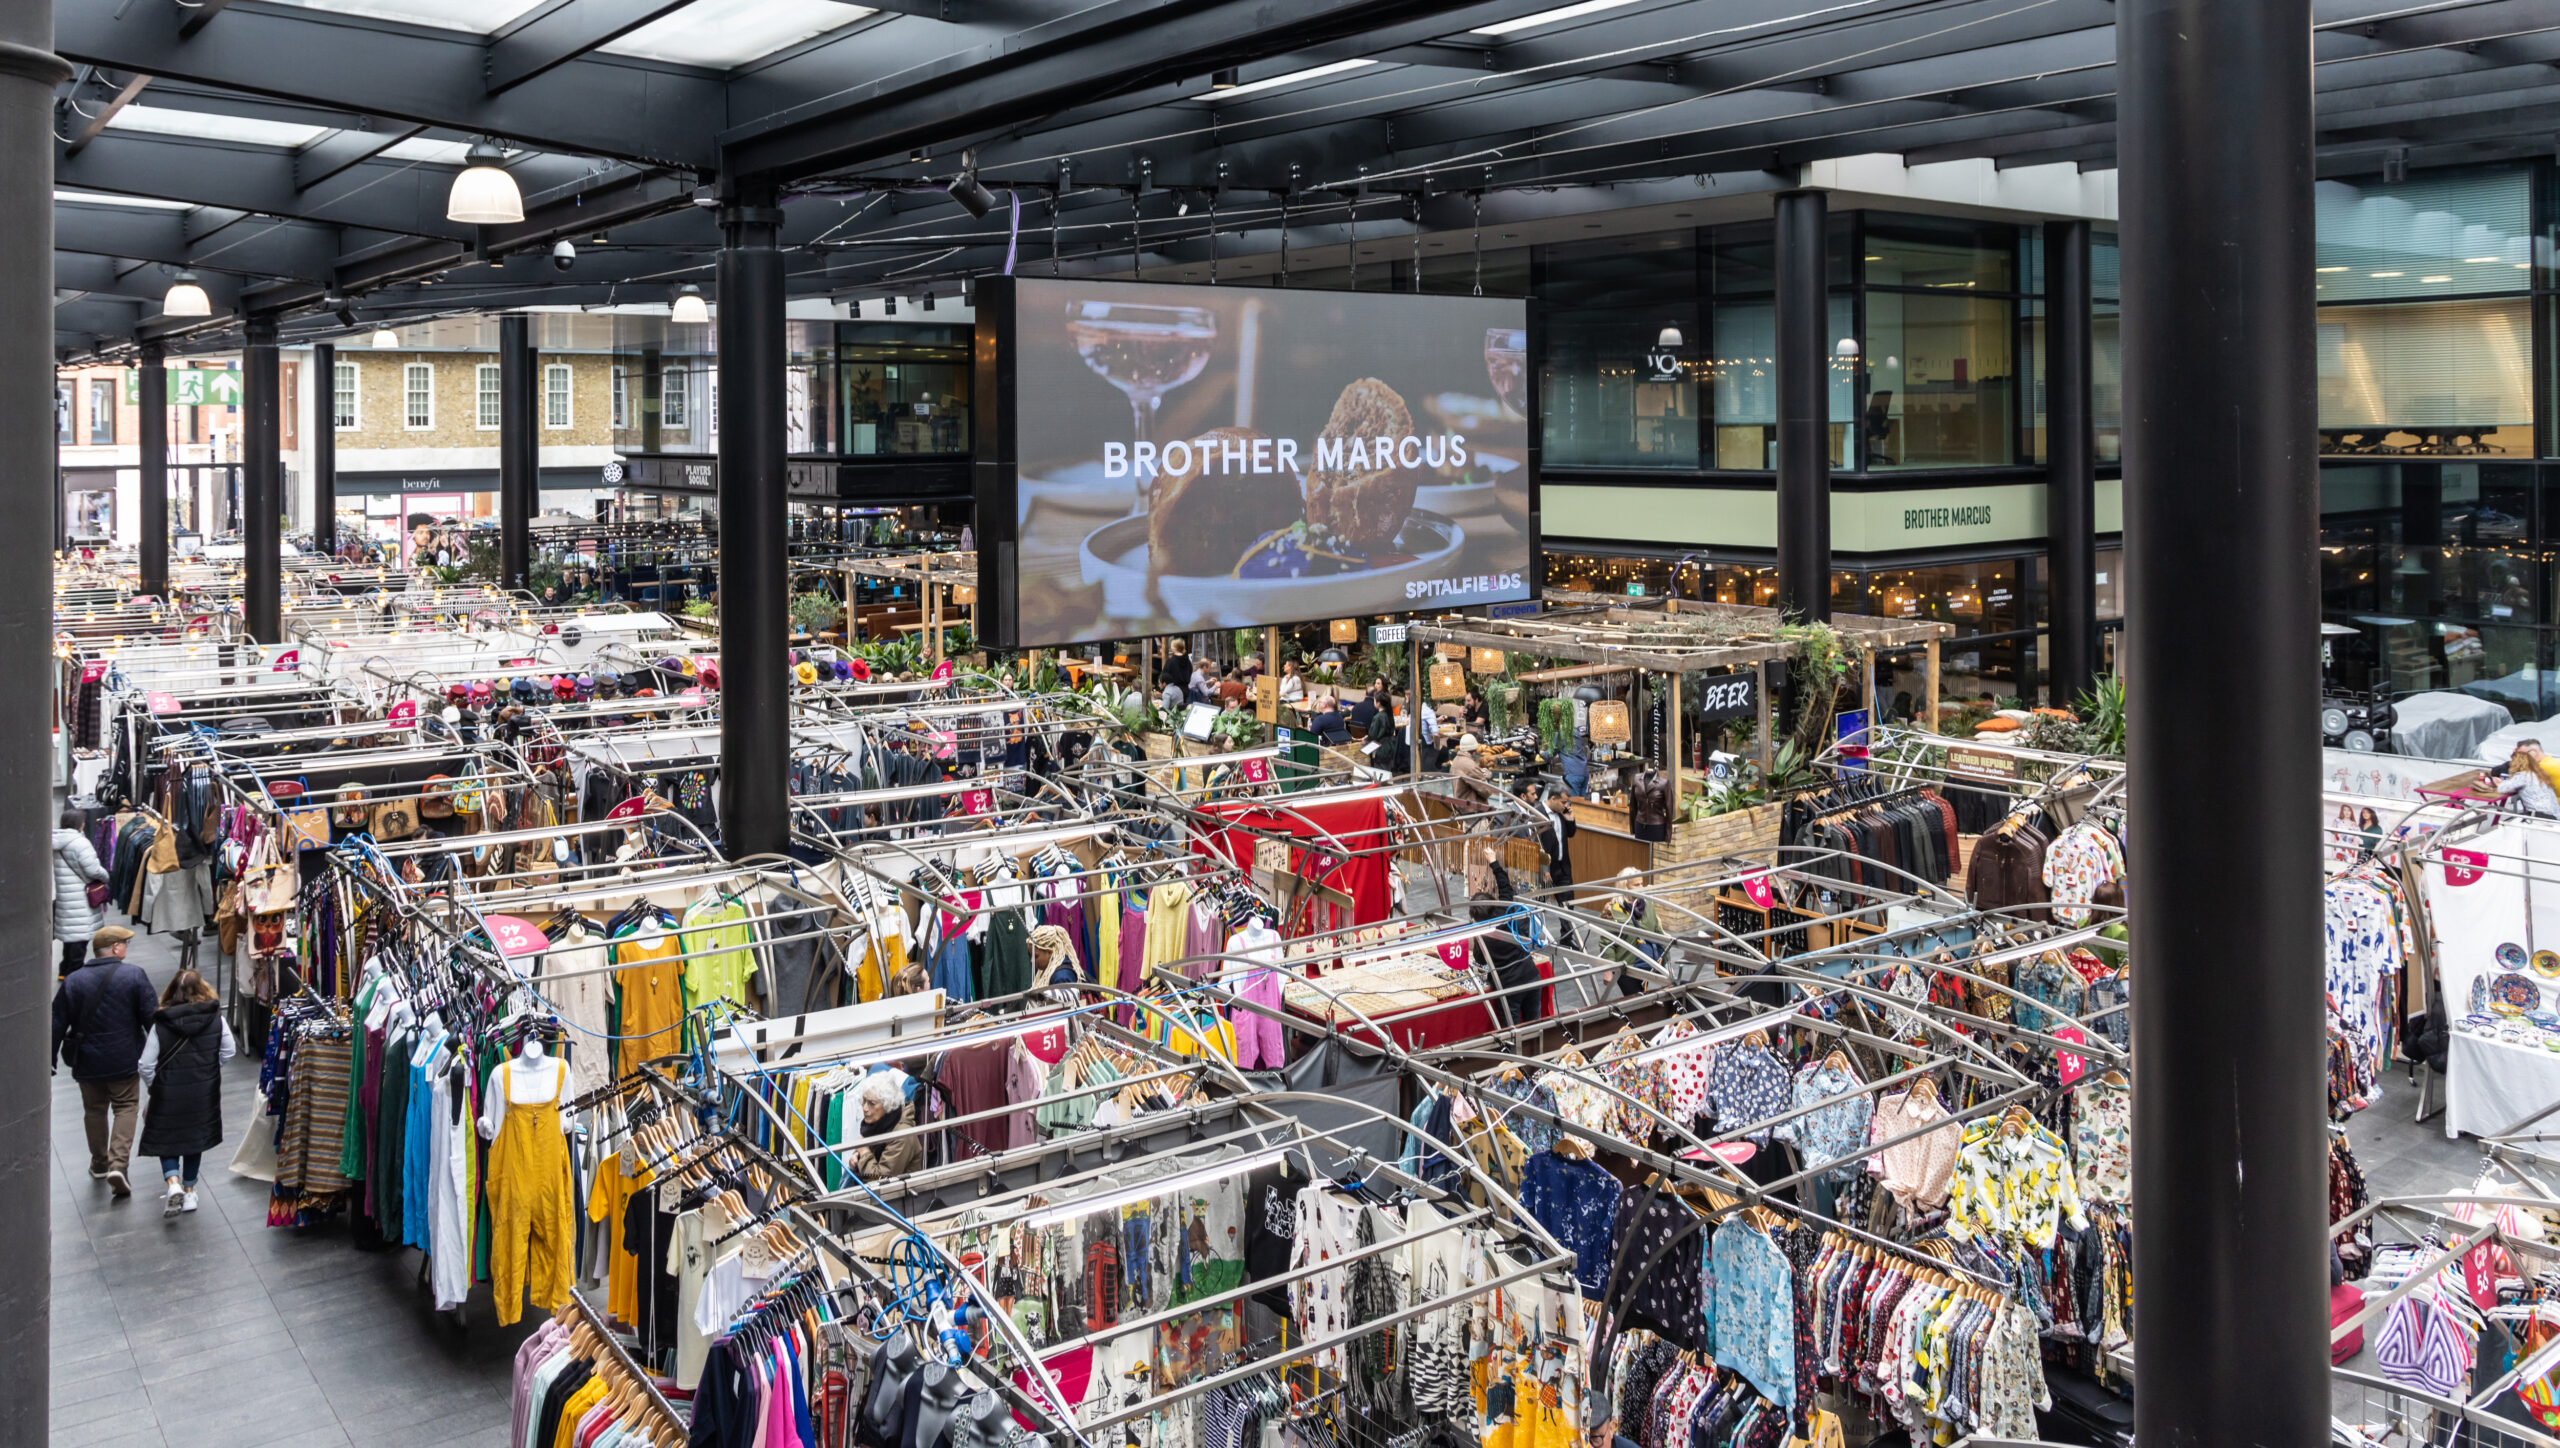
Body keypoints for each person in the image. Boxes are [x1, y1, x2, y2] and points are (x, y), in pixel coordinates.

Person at [51, 925, 160, 1197]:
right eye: (125, 943)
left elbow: (56, 1022)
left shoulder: (74, 981)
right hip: (124, 1058)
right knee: (126, 1107)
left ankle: (99, 1163)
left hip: (87, 1061)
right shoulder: (134, 975)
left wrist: (50, 1059)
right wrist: (160, 1053)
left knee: (94, 1110)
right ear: (115, 948)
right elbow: (152, 1019)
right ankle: (118, 1165)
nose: (126, 948)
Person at [137, 968, 234, 1216]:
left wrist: (154, 1085)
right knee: (195, 1136)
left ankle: (173, 1183)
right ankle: (190, 1192)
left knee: (167, 1135)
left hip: (168, 1091)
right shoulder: (215, 1018)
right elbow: (229, 1050)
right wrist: (209, 1069)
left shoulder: (161, 1023)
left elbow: (145, 1064)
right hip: (203, 1089)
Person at [52, 808, 107, 978]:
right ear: (80, 824)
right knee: (79, 940)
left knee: (70, 938)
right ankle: (73, 978)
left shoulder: (56, 841)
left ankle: (64, 971)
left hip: (66, 897)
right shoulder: (80, 843)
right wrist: (105, 875)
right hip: (81, 899)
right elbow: (93, 870)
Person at [845, 1069, 922, 1179]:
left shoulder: (902, 1135)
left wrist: (864, 1151)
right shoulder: (880, 1122)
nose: (865, 1108)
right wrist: (857, 1156)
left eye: (871, 1103)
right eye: (864, 1101)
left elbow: (882, 1178)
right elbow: (867, 1150)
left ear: (888, 1105)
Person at [1521, 781, 1577, 889]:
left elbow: (1571, 833)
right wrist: (1543, 869)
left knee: (1568, 899)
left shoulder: (1563, 813)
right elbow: (1536, 844)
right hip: (1546, 870)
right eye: (1563, 802)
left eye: (1567, 803)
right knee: (1543, 898)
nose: (1566, 806)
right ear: (1553, 798)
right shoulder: (1536, 813)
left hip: (1563, 868)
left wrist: (1570, 819)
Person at [2497, 742, 2560, 817]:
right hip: (2555, 815)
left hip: (2540, 816)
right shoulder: (2540, 774)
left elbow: (2501, 789)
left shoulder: (2523, 775)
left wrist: (2498, 782)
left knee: (2509, 820)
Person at [1449, 734, 1497, 805]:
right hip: (1473, 808)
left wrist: (1479, 772)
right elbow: (1487, 791)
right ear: (1474, 748)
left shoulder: (1455, 760)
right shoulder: (1470, 765)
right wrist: (1487, 777)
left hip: (1460, 805)